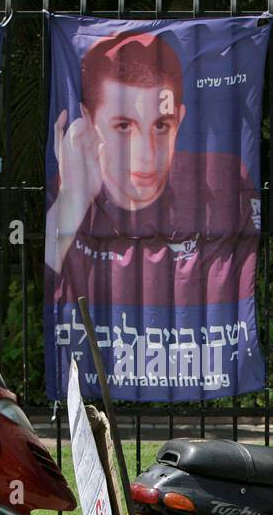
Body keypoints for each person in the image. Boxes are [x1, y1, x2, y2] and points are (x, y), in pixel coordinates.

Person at [45, 30, 261, 309]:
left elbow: (239, 302)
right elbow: (44, 302)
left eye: (161, 126)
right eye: (123, 126)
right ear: (87, 120)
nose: (147, 155)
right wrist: (72, 200)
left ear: (179, 120)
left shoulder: (221, 183)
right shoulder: (68, 189)